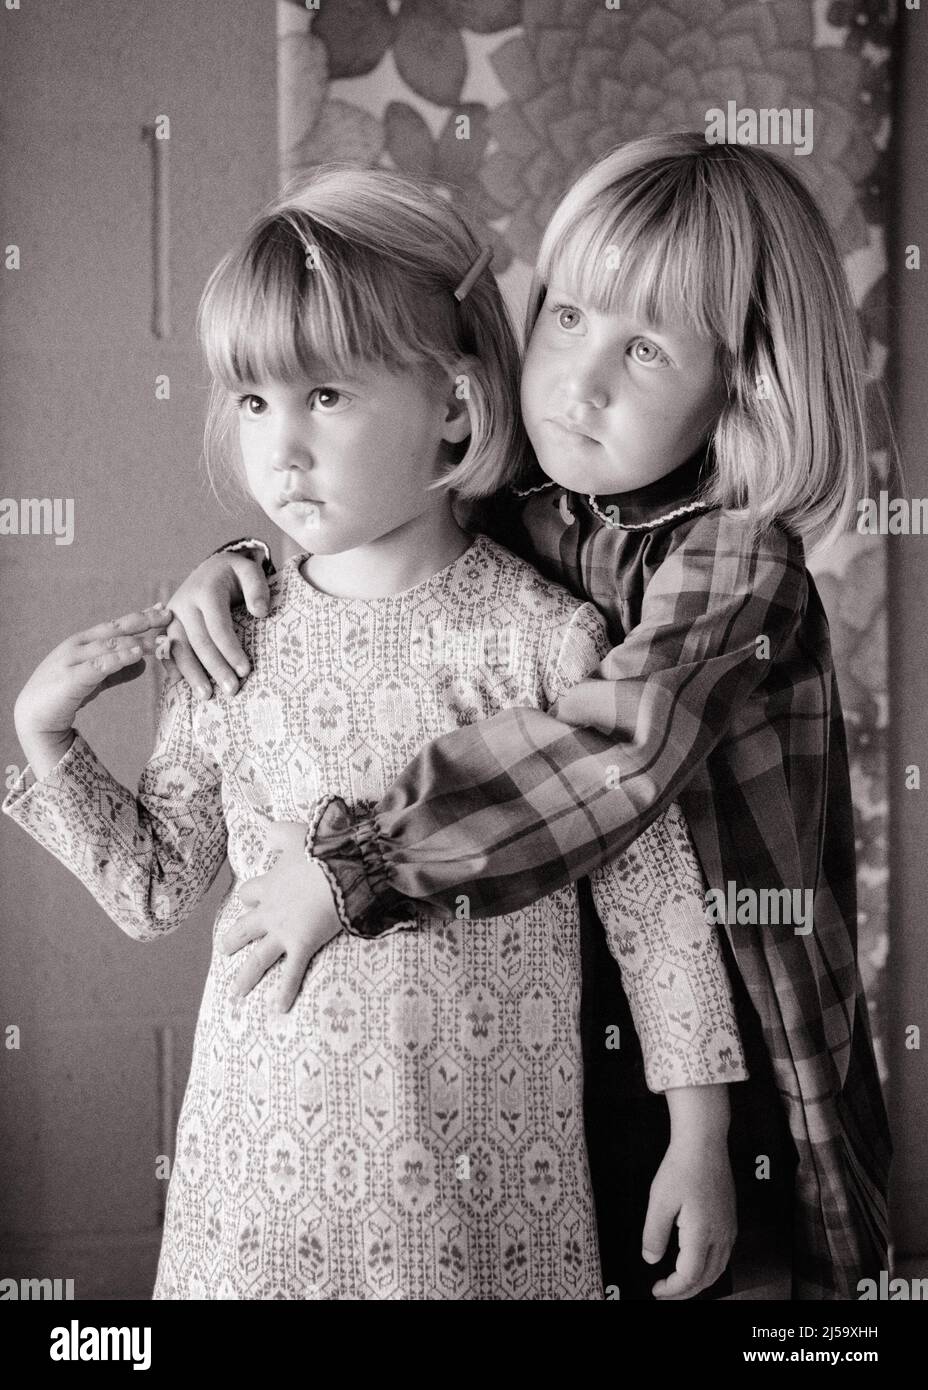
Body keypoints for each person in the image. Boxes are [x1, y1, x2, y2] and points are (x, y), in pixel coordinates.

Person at [164, 134, 893, 1300]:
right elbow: (386, 510)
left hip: (729, 1046)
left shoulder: (733, 560)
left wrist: (359, 860)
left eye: (644, 348)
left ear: (745, 377)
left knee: (745, 1282)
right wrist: (241, 564)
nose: (579, 380)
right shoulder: (538, 509)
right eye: (567, 318)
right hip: (571, 1024)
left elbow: (609, 747)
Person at [3, 165, 748, 1300]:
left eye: (327, 399)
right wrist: (48, 742)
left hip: (484, 1190)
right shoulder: (230, 632)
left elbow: (654, 913)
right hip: (258, 1186)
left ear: (452, 403)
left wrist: (698, 1140)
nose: (280, 449)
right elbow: (154, 891)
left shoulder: (544, 640)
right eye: (255, 402)